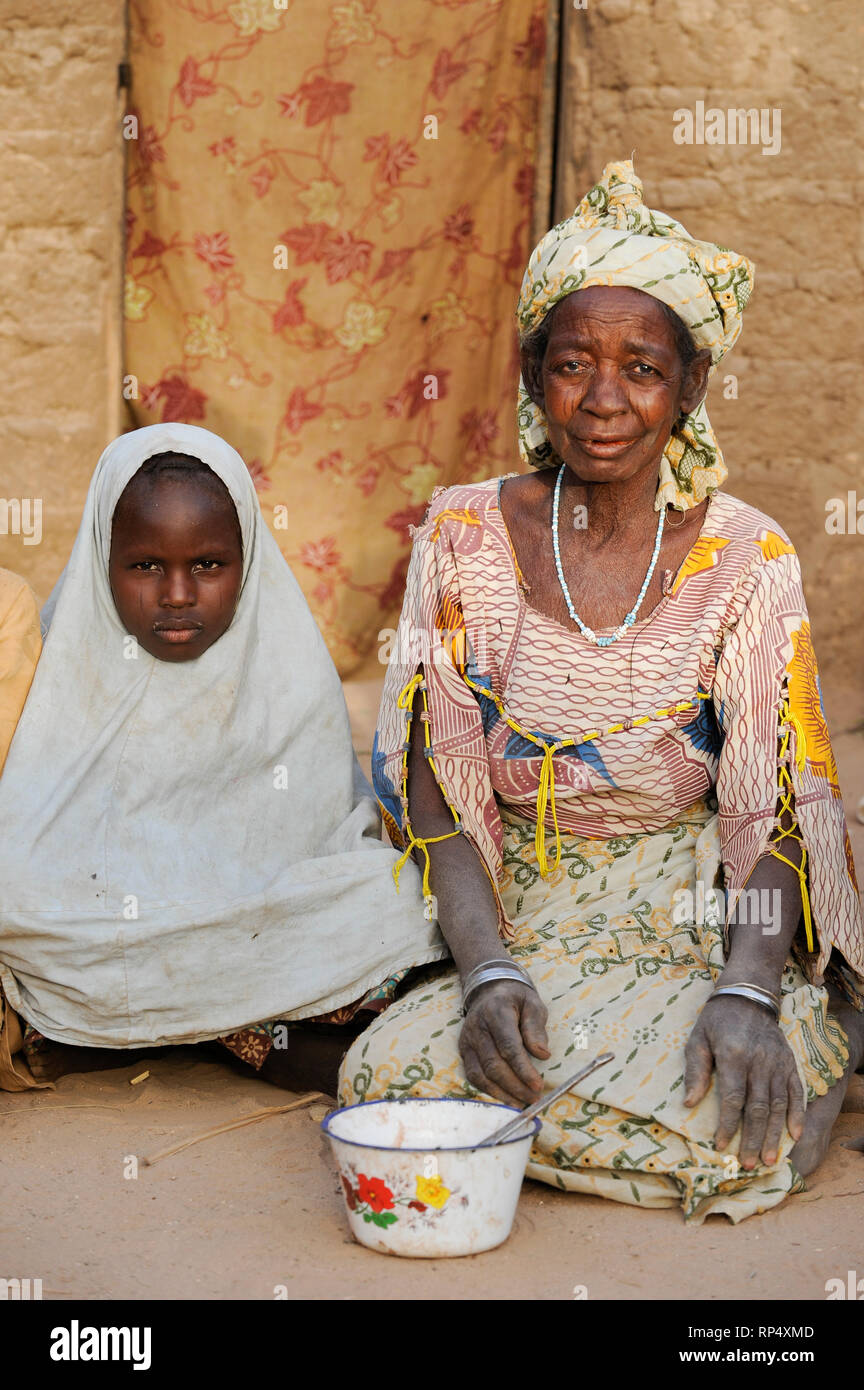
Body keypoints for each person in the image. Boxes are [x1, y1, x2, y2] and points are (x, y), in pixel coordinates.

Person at [338, 160, 864, 1222]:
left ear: (692, 387)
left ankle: (804, 1040)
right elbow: (438, 789)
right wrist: (487, 975)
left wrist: (748, 990)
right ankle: (768, 1109)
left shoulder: (748, 557)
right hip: (519, 896)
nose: (608, 401)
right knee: (380, 1077)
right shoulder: (463, 535)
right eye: (575, 364)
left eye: (644, 368)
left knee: (738, 1059)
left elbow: (773, 807)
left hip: (692, 901)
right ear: (533, 374)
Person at [0, 423, 445, 1094]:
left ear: (249, 560)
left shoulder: (285, 666)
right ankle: (234, 1028)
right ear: (101, 559)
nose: (177, 594)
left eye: (207, 565)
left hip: (250, 920)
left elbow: (320, 833)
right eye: (145, 566)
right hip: (107, 926)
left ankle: (194, 1019)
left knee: (400, 901)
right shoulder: (64, 671)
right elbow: (34, 851)